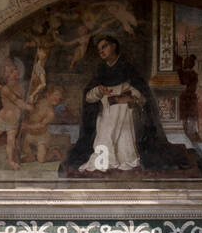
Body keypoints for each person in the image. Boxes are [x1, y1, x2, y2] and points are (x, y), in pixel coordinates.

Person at [60, 35, 189, 176]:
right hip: (106, 115)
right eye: (99, 50)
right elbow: (89, 97)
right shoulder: (100, 70)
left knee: (125, 146)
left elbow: (142, 96)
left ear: (114, 46)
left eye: (104, 47)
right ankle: (105, 161)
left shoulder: (127, 67)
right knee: (105, 137)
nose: (101, 52)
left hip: (126, 115)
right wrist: (99, 90)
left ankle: (125, 159)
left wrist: (130, 98)